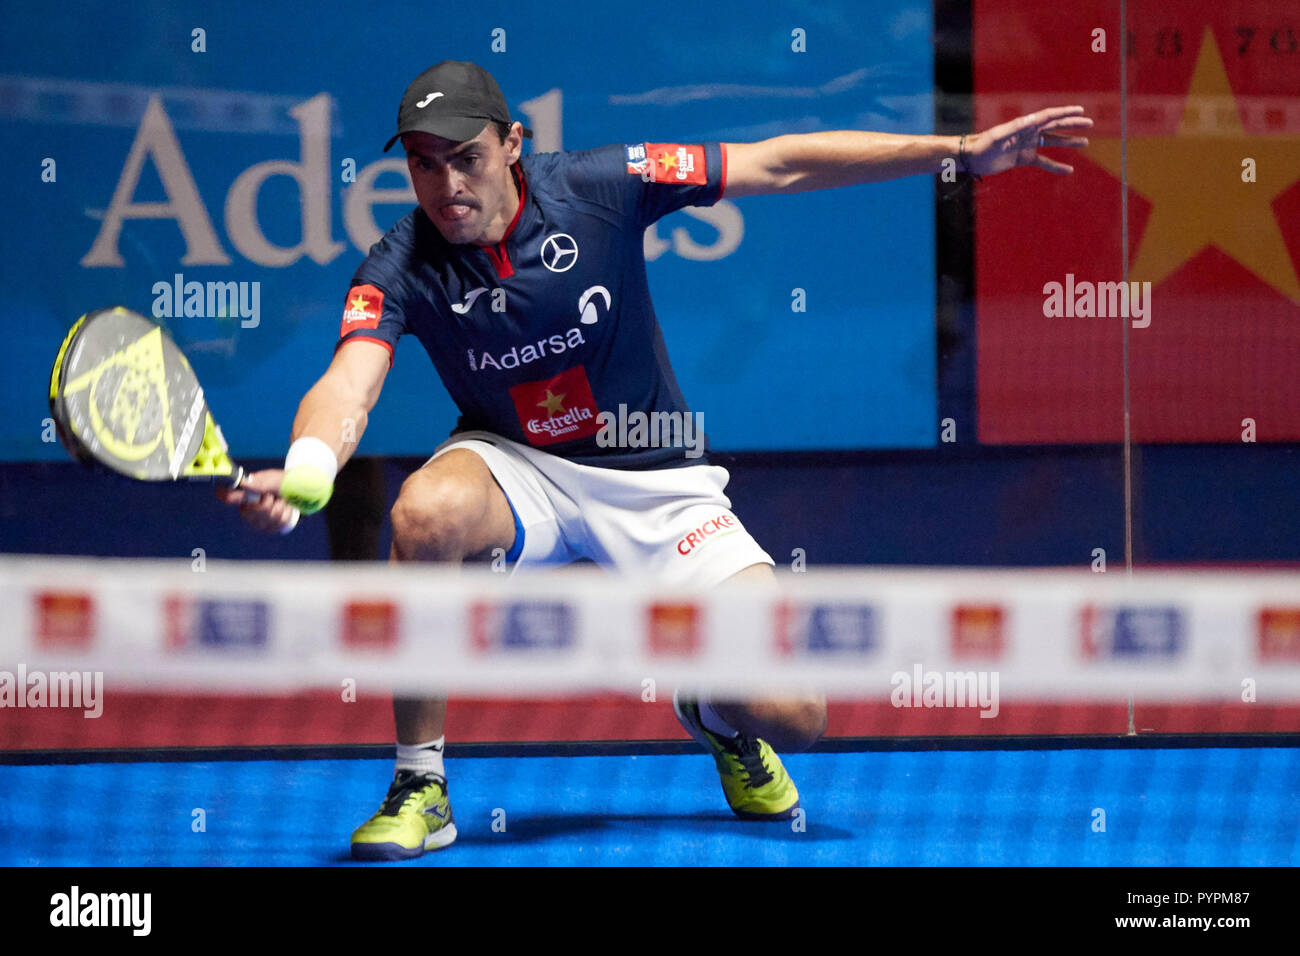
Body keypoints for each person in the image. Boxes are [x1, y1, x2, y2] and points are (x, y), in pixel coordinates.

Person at [218, 60, 1092, 860]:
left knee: (798, 715)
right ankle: (422, 783)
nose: (447, 187)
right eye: (422, 164)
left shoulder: (603, 185)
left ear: (513, 145)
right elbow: (348, 385)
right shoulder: (401, 262)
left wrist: (958, 152)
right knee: (422, 512)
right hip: (516, 466)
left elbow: (777, 162)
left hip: (657, 480)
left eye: (467, 159)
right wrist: (308, 469)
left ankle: (712, 710)